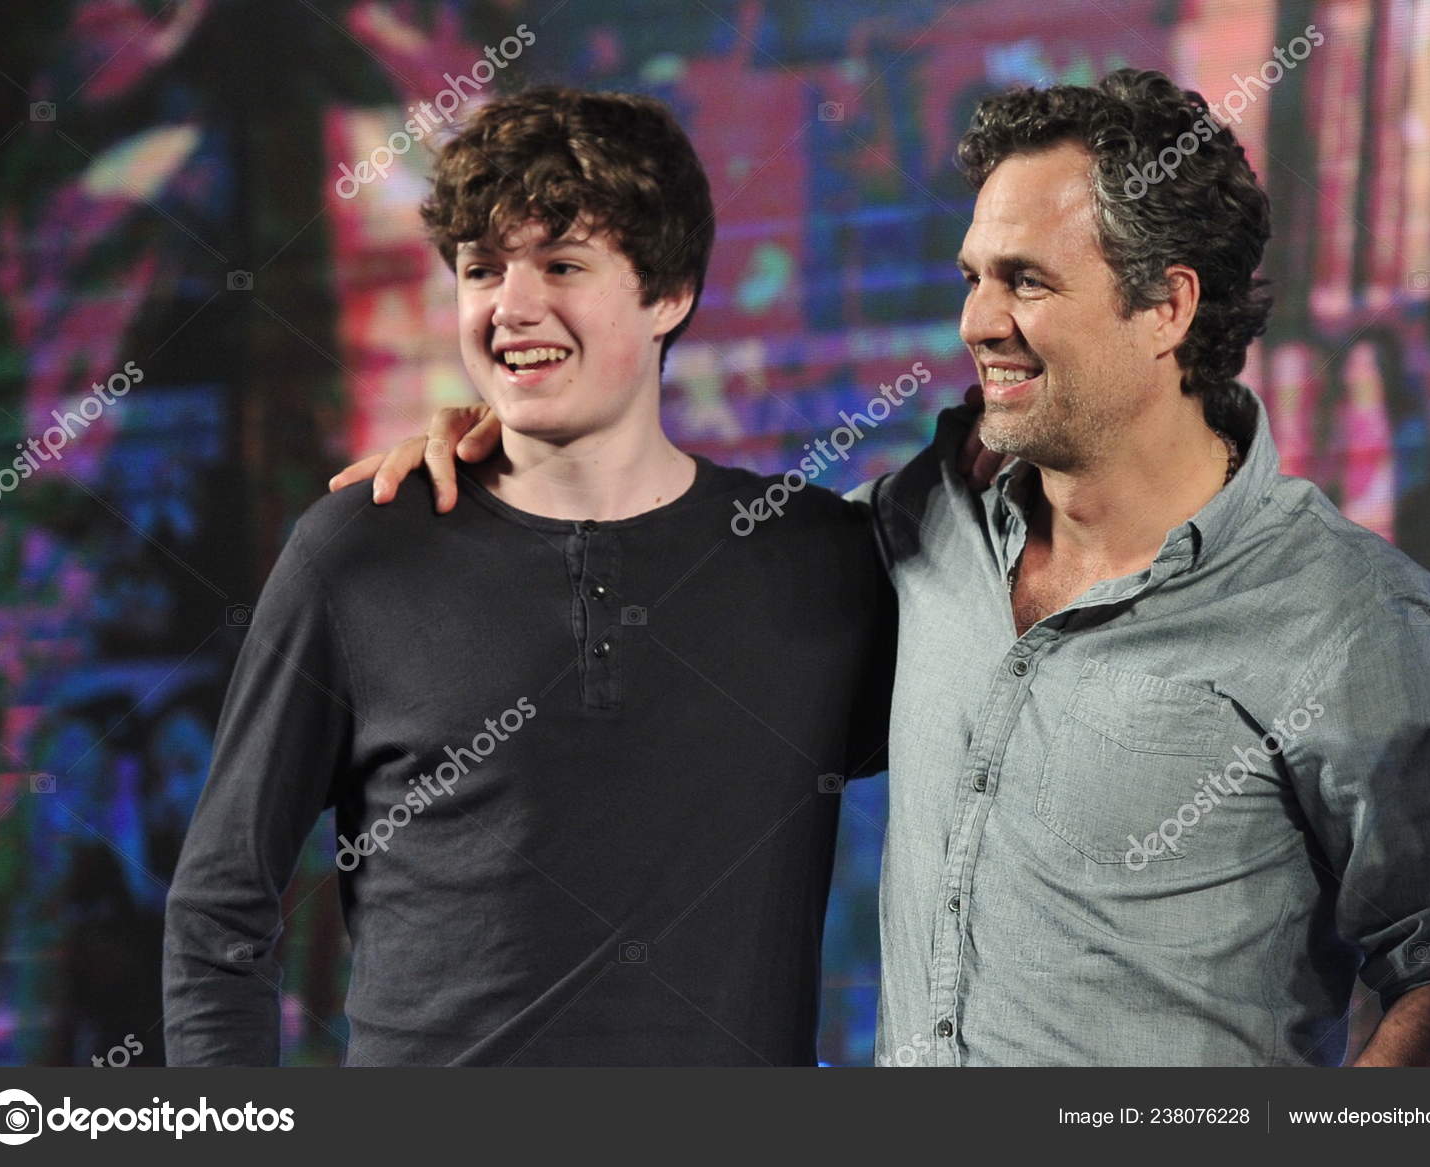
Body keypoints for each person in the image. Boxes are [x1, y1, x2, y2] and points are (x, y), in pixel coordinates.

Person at [348, 70, 1430, 1066]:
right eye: (972, 275)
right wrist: (511, 443)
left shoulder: (1343, 616)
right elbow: (689, 571)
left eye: (1025, 280)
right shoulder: (917, 531)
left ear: (1166, 306)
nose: (975, 321)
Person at [163, 87, 895, 1067]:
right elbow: (220, 914)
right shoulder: (359, 551)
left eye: (561, 264)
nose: (511, 307)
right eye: (481, 269)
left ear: (669, 290)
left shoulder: (817, 559)